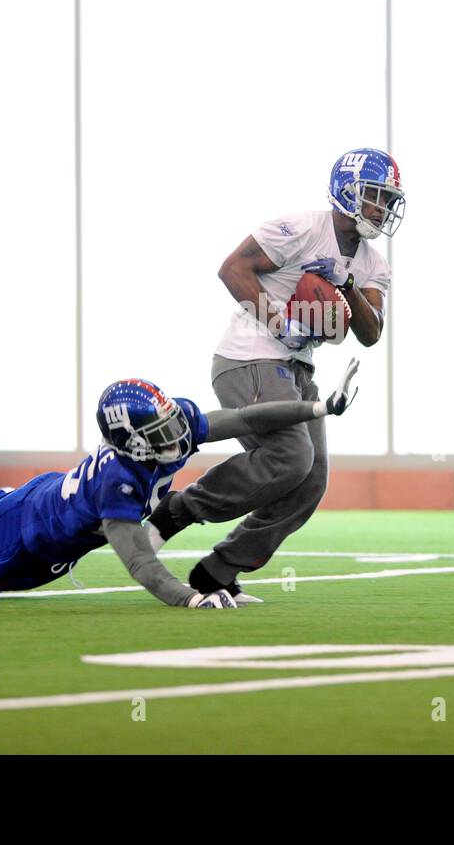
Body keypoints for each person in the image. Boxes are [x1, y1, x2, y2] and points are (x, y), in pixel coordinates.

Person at [0, 361, 359, 607]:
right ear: (128, 441)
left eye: (168, 421)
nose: (174, 433)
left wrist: (316, 408)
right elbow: (138, 562)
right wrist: (189, 598)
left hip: (45, 502)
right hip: (32, 539)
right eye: (156, 429)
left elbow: (245, 420)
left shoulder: (168, 428)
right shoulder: (121, 485)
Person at [147, 148, 403, 602]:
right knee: (290, 457)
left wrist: (345, 286)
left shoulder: (372, 263)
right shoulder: (301, 229)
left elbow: (370, 332)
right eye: (374, 196)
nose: (380, 209)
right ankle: (176, 512)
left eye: (386, 200)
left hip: (296, 367)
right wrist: (278, 322)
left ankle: (219, 571)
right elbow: (233, 269)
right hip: (251, 357)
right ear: (347, 191)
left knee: (311, 479)